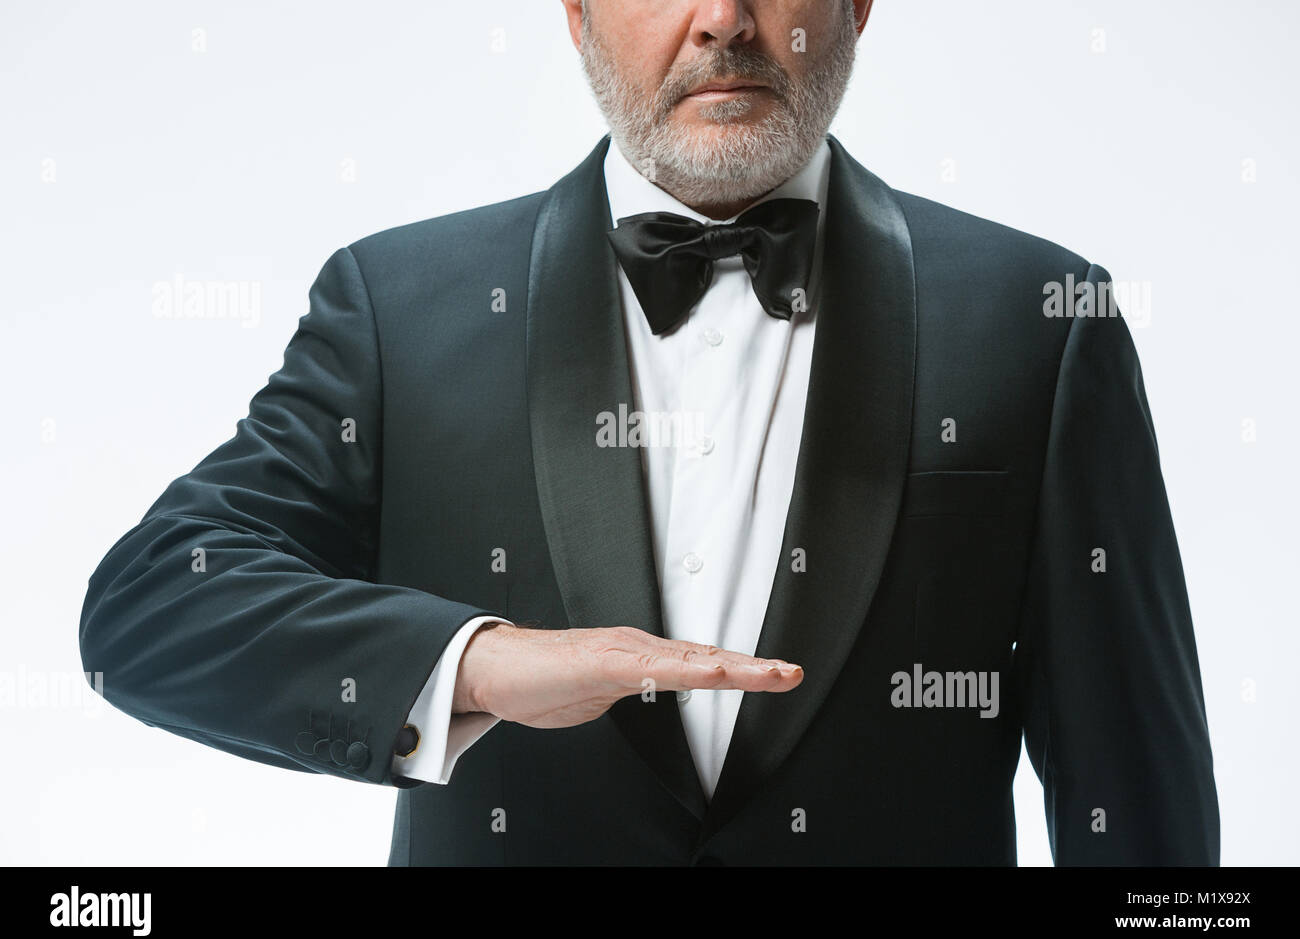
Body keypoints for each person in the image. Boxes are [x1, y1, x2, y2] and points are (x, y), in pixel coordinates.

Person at [79, 0, 1220, 865]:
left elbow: (1142, 797)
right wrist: (473, 662)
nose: (722, 19)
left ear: (858, 5)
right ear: (574, 13)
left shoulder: (1040, 315)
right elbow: (150, 606)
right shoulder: (398, 307)